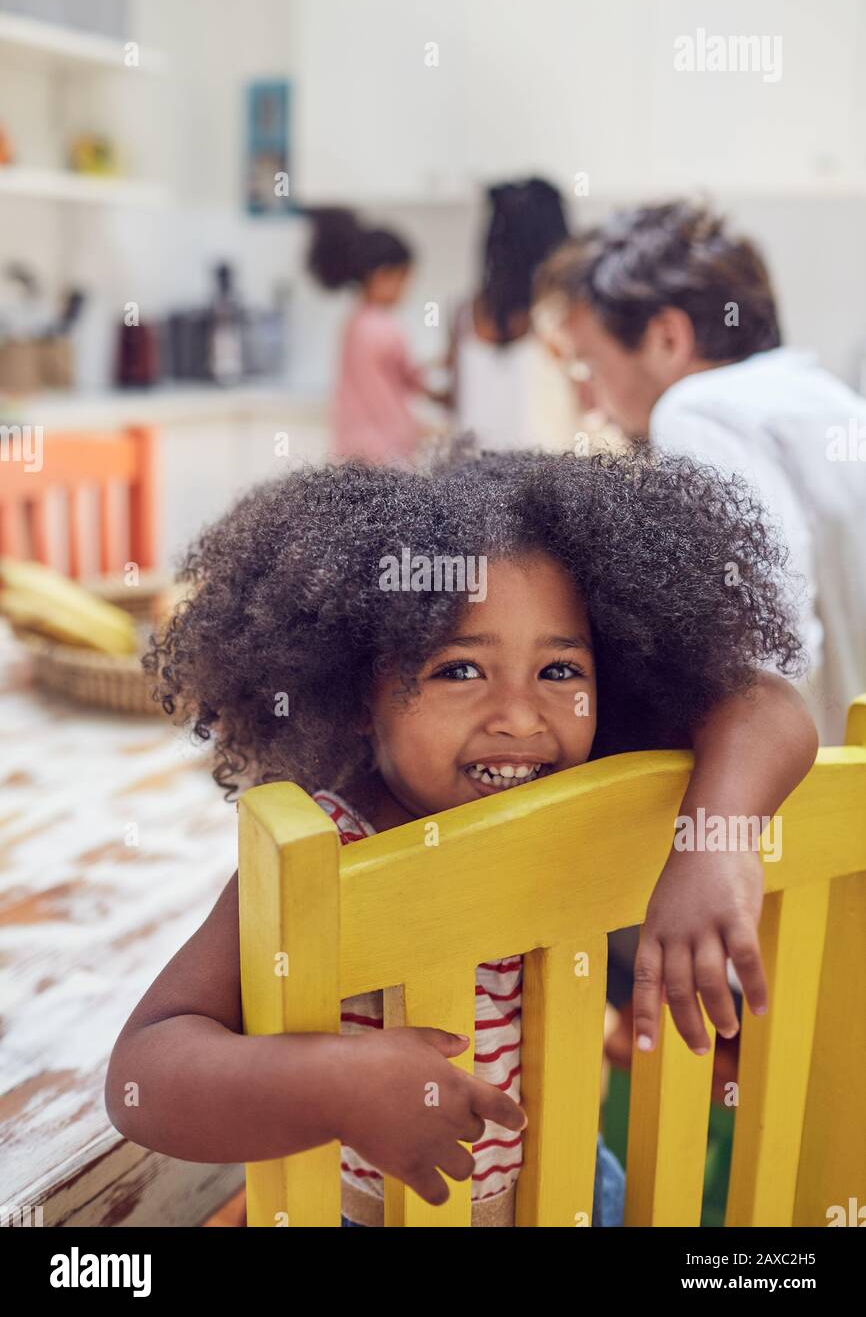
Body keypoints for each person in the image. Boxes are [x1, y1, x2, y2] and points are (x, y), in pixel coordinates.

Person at [108, 444, 817, 1227]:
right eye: (458, 670)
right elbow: (143, 1071)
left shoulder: (579, 789)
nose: (520, 717)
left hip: (580, 1199)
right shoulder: (328, 856)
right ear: (354, 693)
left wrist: (714, 841)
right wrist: (335, 1083)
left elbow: (765, 703)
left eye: (559, 673)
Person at [533, 200, 866, 744]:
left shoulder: (695, 408)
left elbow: (772, 640)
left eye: (586, 366)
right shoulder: (817, 396)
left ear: (668, 338)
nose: (590, 405)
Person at [447, 178, 581, 451]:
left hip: (472, 478)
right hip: (548, 480)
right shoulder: (562, 314)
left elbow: (455, 401)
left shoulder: (464, 314)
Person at [307, 208, 431, 464]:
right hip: (385, 453)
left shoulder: (354, 322)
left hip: (350, 451)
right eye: (403, 279)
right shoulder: (386, 328)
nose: (405, 290)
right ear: (382, 275)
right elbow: (409, 380)